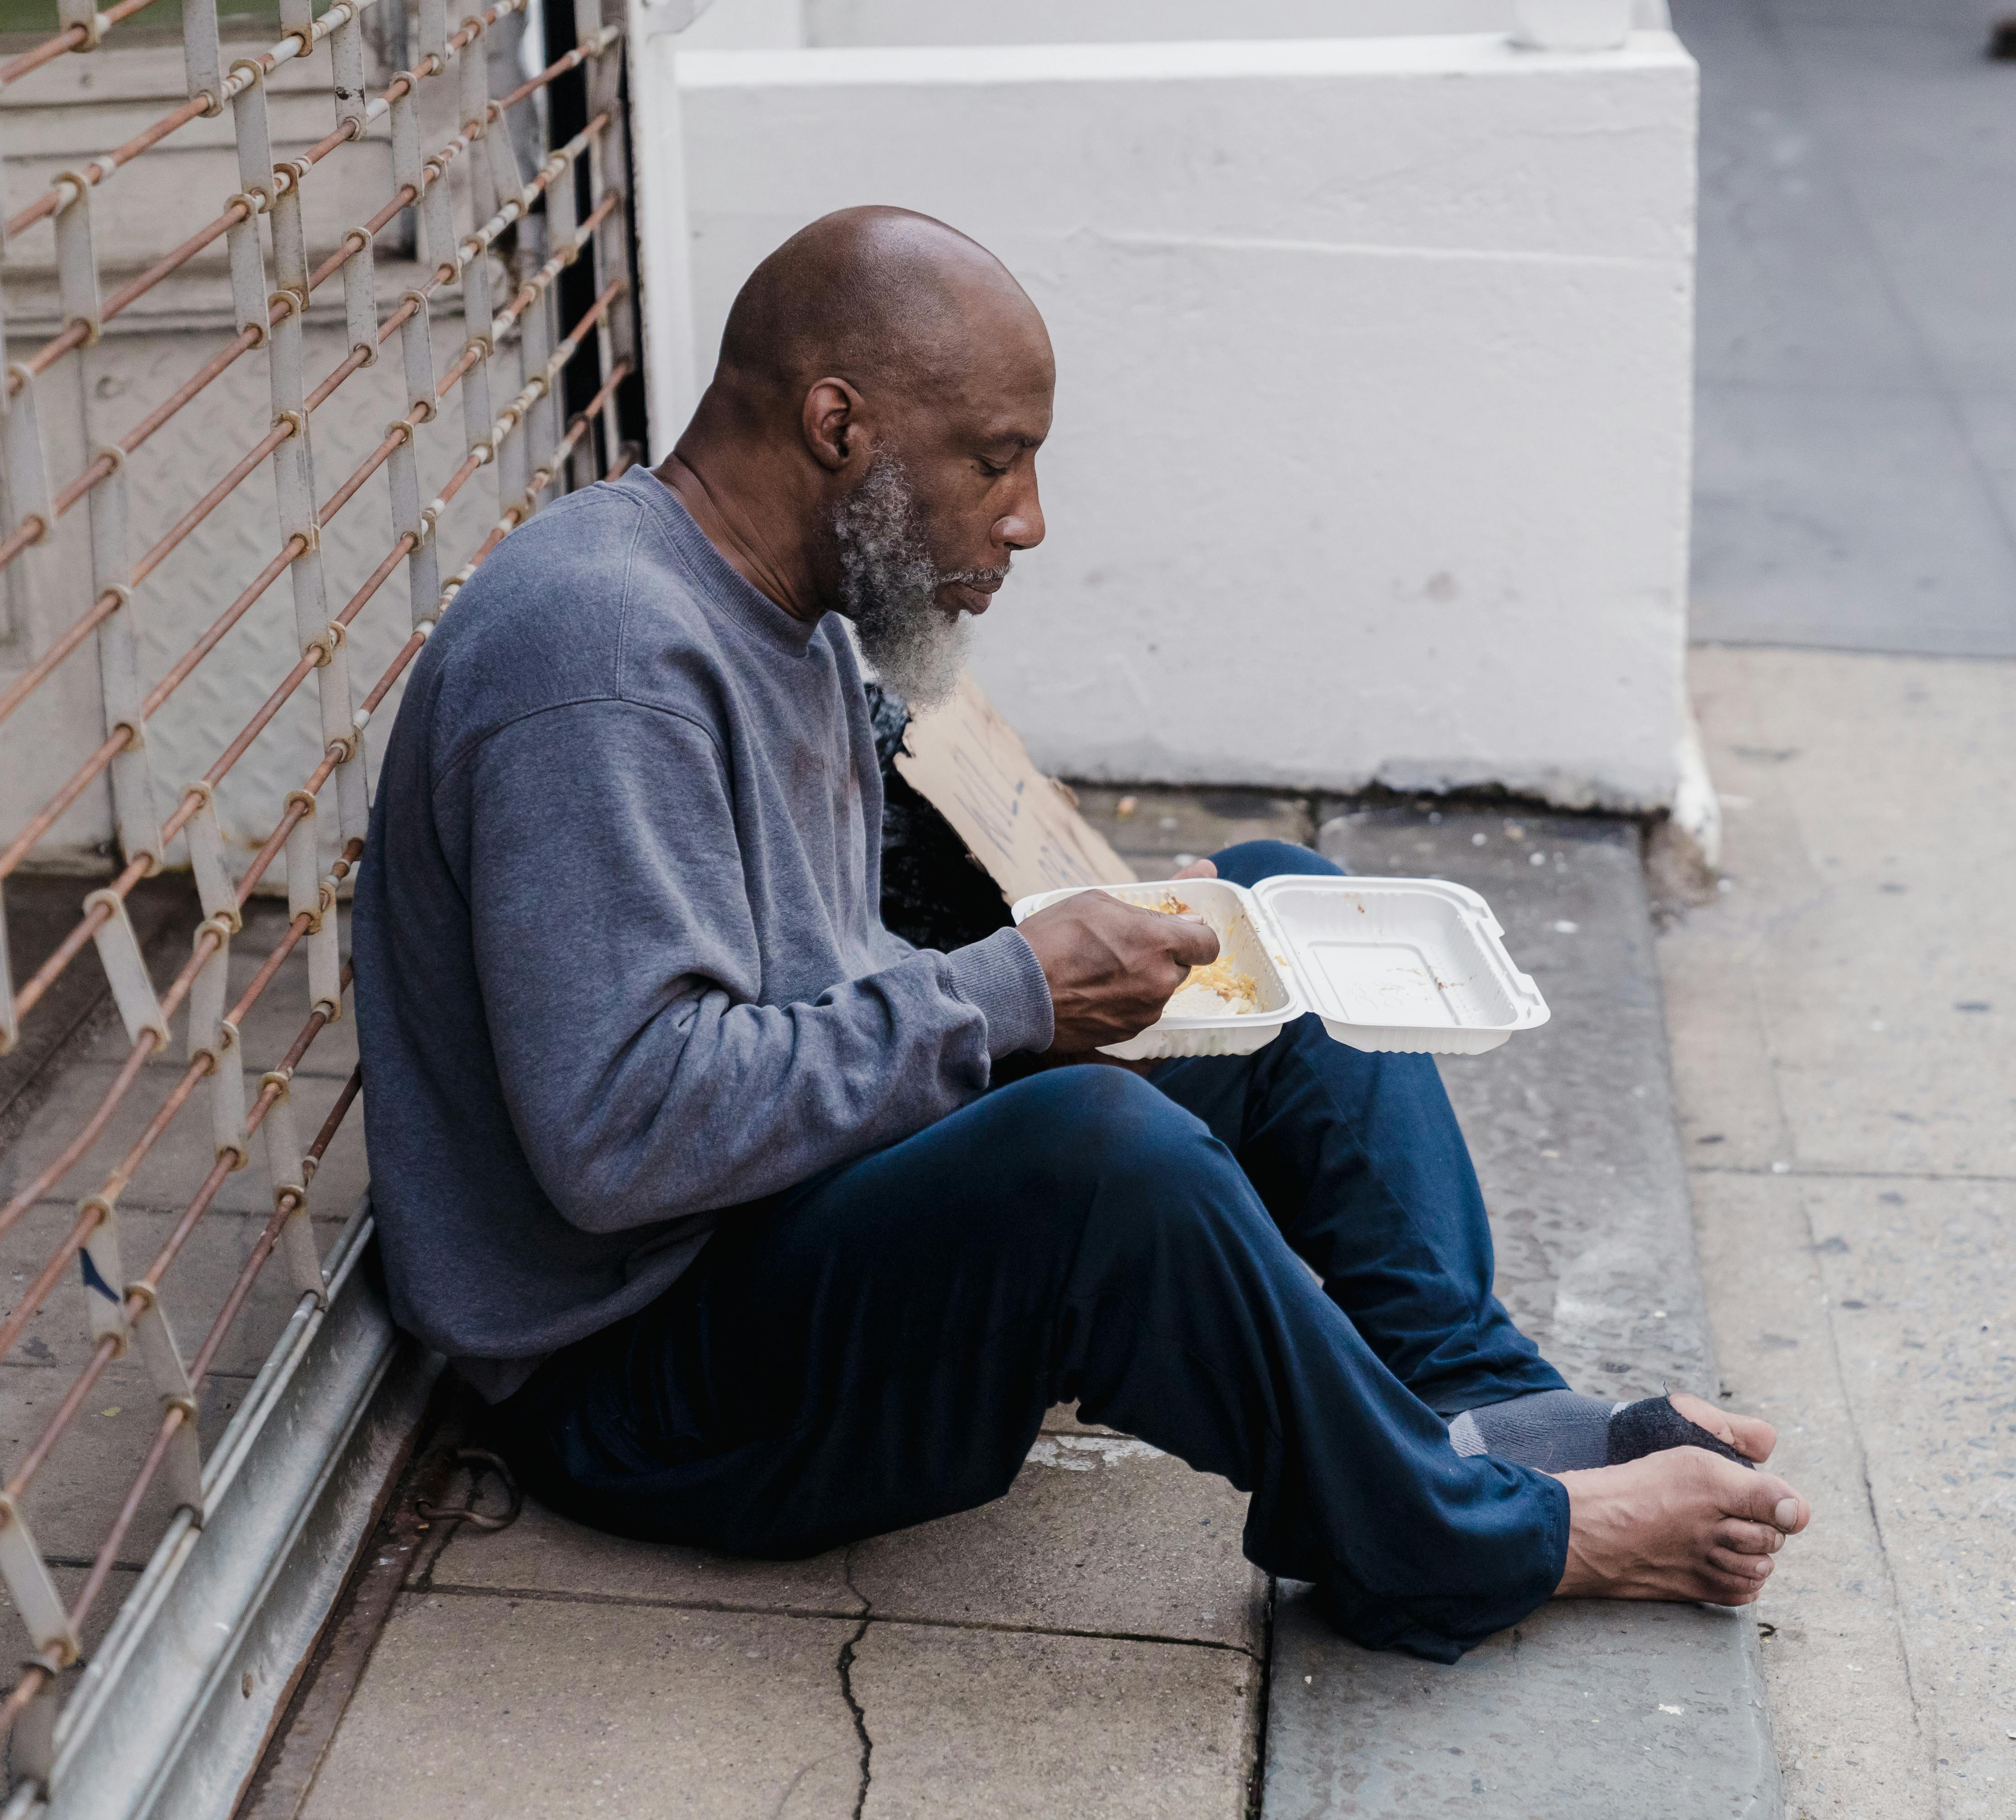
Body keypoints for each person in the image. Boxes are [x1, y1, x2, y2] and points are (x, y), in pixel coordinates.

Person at [354, 206, 1809, 1661]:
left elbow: (814, 985)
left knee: (1264, 915)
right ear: (838, 426)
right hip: (643, 1377)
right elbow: (622, 1138)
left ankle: (1484, 1404)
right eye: (994, 461)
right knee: (1100, 1152)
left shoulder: (781, 616)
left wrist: (1068, 987)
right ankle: (1462, 1538)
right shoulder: (603, 660)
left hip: (780, 1225)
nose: (1028, 519)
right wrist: (1008, 1003)